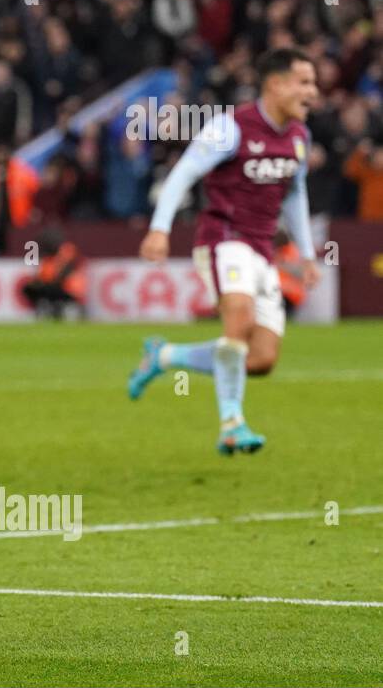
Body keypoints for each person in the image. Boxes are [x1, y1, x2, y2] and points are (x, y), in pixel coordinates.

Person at [128, 48, 320, 455]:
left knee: (262, 358)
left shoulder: (299, 137)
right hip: (223, 240)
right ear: (276, 84)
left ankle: (163, 356)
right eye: (304, 82)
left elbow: (296, 193)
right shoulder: (230, 127)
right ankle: (232, 424)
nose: (313, 92)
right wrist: (159, 229)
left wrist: (306, 254)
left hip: (261, 250)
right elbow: (183, 173)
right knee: (239, 320)